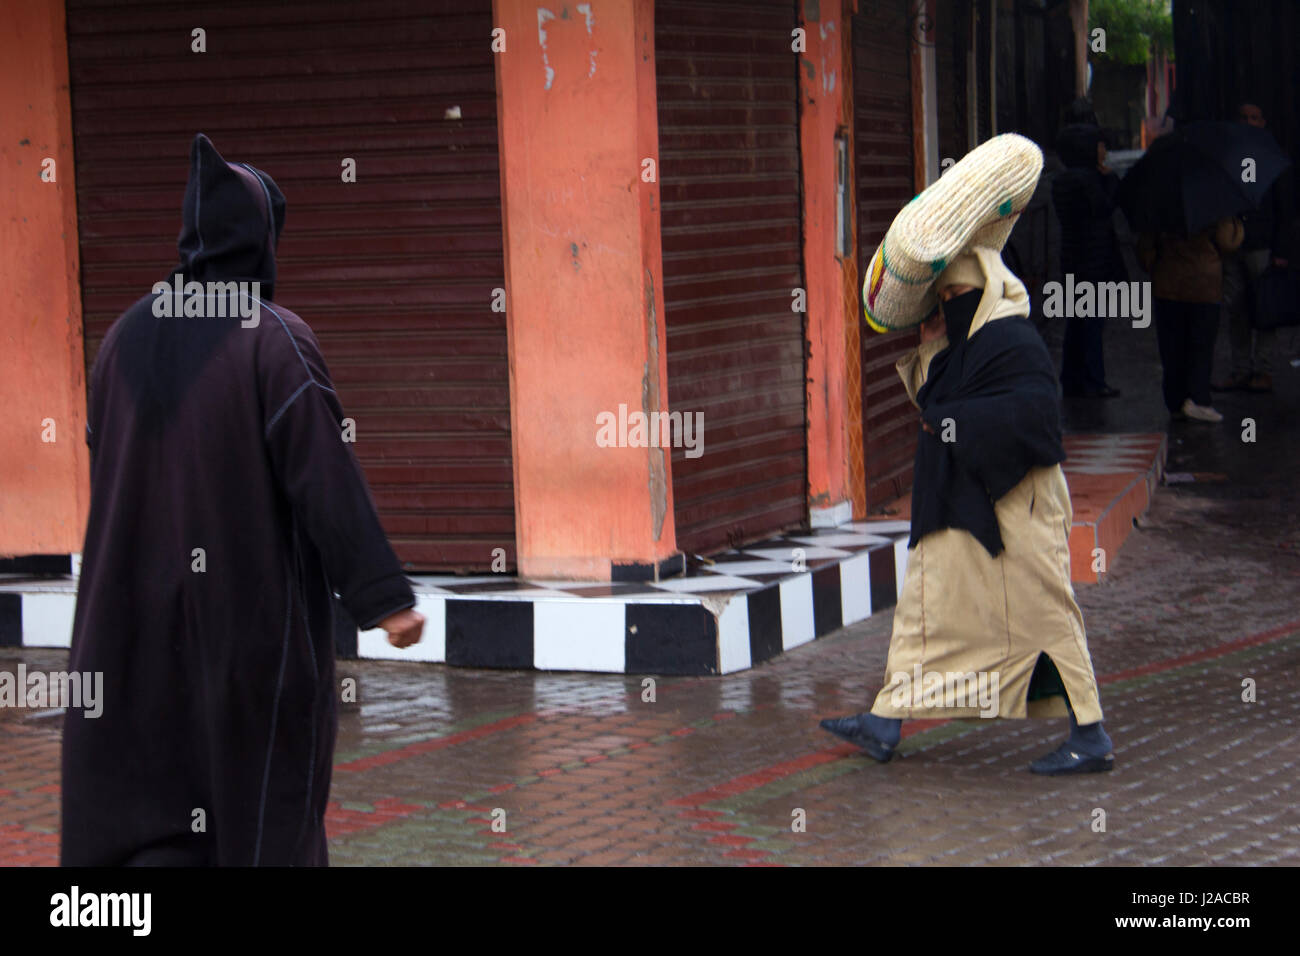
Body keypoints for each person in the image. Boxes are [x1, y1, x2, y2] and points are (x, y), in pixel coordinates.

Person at [61, 134, 425, 866]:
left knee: (145, 820)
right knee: (262, 816)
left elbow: (111, 472)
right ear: (259, 241)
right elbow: (325, 477)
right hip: (245, 636)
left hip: (124, 630)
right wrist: (384, 599)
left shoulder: (122, 338)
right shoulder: (271, 339)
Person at [827, 134, 1114, 775]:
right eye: (945, 302)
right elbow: (936, 406)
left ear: (983, 292)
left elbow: (1034, 416)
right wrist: (934, 350)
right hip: (961, 505)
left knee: (1047, 615)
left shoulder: (1011, 340)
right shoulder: (965, 344)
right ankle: (884, 720)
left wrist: (954, 418)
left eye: (957, 301)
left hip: (1021, 507)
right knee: (927, 606)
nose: (950, 309)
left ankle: (1090, 735)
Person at [1214, 101, 1291, 394]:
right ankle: (1241, 369)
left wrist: (1282, 251)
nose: (1248, 122)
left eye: (1254, 118)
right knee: (1235, 309)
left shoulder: (1274, 160)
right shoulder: (1228, 157)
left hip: (1261, 244)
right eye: (1243, 117)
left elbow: (1286, 210)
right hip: (1234, 242)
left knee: (1265, 309)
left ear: (1263, 123)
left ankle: (1263, 369)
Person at [1137, 215, 1244, 422]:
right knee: (1200, 347)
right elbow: (1228, 241)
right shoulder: (1213, 200)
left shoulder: (1159, 205)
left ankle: (1176, 401)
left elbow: (1145, 252)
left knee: (1172, 348)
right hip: (1203, 286)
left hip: (1168, 286)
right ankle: (1198, 400)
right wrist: (1236, 222)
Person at [1053, 122, 1126, 397]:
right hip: (1092, 262)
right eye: (1100, 145)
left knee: (1076, 322)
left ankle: (1072, 379)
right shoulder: (1088, 180)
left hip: (1073, 260)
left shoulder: (1064, 180)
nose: (1104, 151)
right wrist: (1111, 180)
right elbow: (1104, 207)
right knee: (1092, 323)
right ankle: (1093, 381)